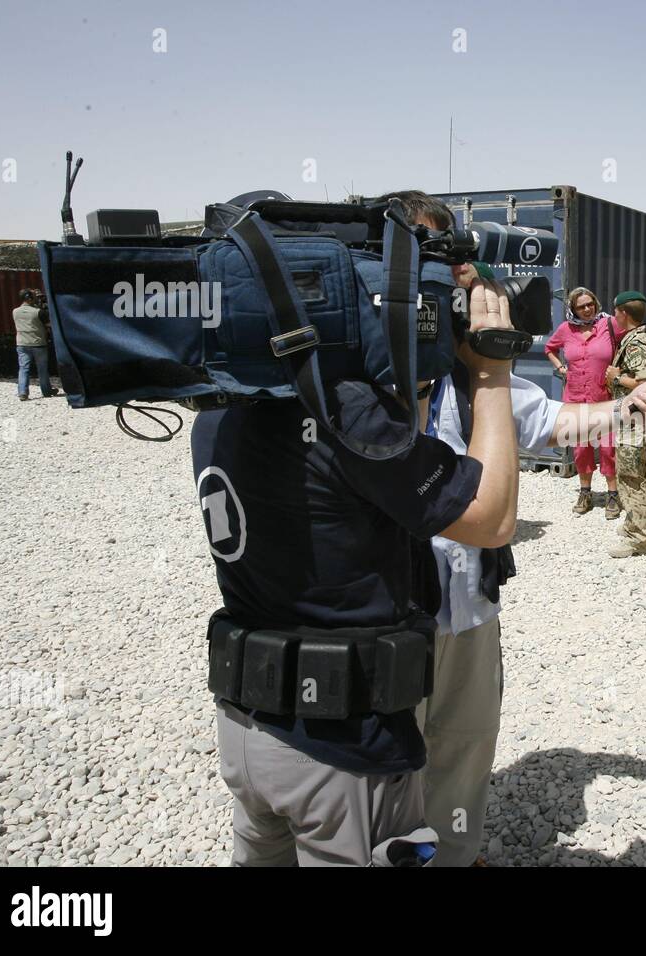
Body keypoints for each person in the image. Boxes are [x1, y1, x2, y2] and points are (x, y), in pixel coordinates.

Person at [192, 200, 522, 866]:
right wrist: (491, 369)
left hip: (251, 727)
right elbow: (491, 518)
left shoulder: (221, 406)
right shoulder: (347, 418)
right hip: (343, 752)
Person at [418, 210, 646, 864]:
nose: (467, 284)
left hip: (470, 604)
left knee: (465, 736)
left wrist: (628, 407)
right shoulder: (368, 372)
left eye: (466, 265)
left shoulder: (480, 371)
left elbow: (558, 423)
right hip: (395, 608)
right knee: (393, 750)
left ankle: (454, 848)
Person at [545, 288, 621, 517]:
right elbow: (550, 348)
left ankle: (613, 495)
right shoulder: (565, 329)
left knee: (608, 447)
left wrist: (620, 372)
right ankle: (585, 492)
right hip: (575, 398)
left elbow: (628, 342)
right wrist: (560, 368)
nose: (588, 309)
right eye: (581, 306)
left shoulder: (609, 325)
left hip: (604, 397)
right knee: (581, 448)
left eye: (591, 304)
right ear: (572, 309)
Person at [604, 291, 646, 558]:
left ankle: (637, 537)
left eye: (615, 312)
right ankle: (641, 522)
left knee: (631, 477)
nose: (613, 316)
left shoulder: (634, 344)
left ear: (623, 313)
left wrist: (616, 378)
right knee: (641, 473)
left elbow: (645, 383)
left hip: (634, 419)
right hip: (644, 419)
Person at [11, 289, 58, 401]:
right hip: (38, 343)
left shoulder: (15, 311)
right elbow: (49, 325)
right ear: (30, 298)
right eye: (34, 296)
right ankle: (46, 391)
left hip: (22, 343)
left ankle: (23, 392)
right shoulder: (38, 312)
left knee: (23, 368)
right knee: (42, 369)